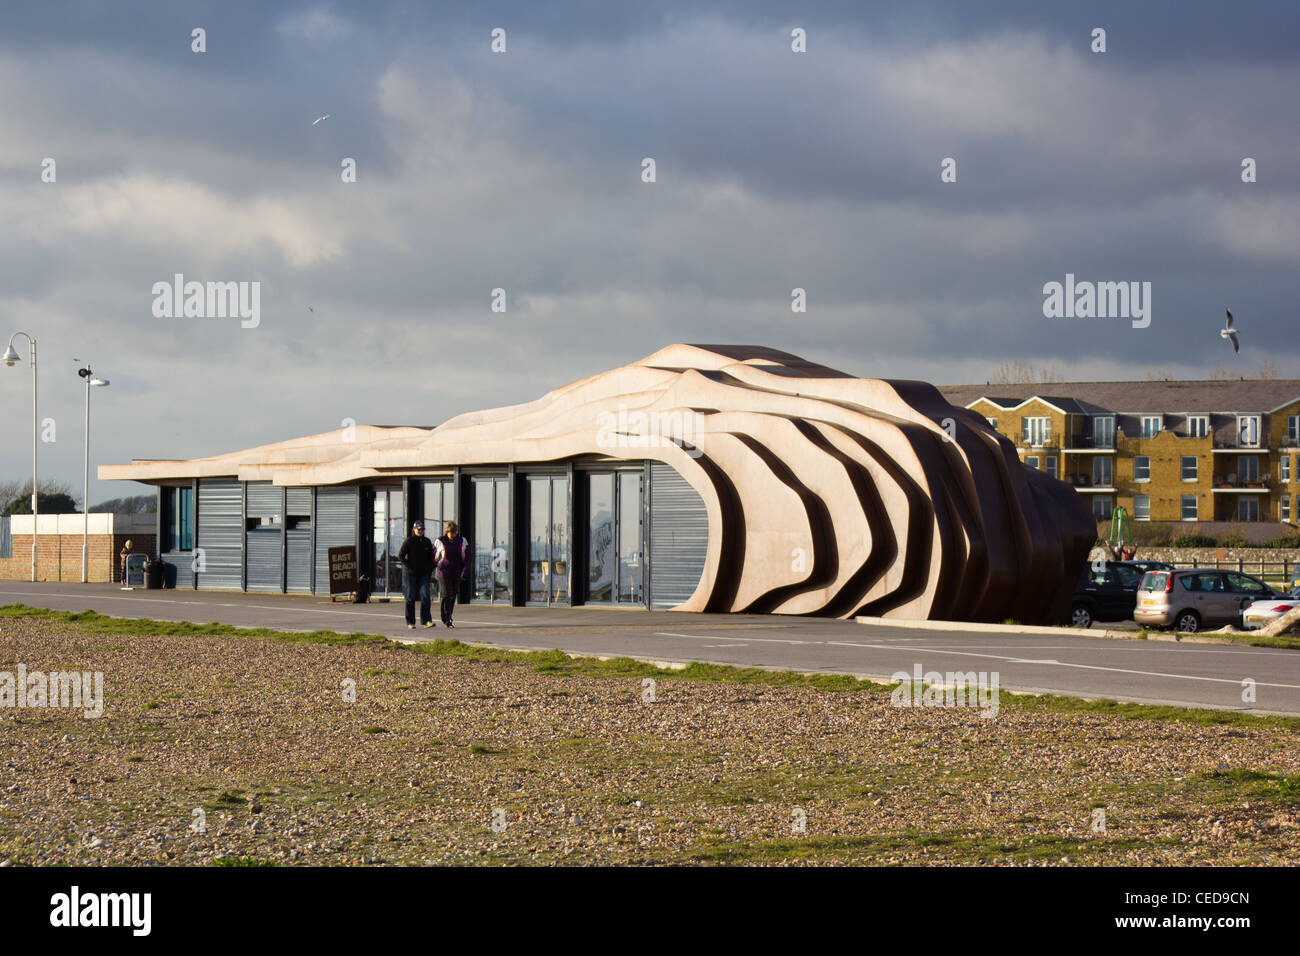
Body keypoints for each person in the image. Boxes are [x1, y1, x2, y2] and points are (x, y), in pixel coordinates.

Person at [397, 519, 435, 629]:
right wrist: (408, 566)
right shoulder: (409, 541)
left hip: (424, 574)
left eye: (422, 529)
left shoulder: (427, 542)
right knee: (410, 597)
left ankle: (426, 620)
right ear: (414, 529)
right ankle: (410, 622)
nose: (420, 531)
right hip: (410, 574)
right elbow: (401, 555)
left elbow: (431, 557)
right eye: (418, 529)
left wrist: (429, 569)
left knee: (425, 596)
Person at [434, 520, 469, 628]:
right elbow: (434, 557)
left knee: (453, 595)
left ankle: (449, 616)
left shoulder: (462, 541)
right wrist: (436, 566)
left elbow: (467, 557)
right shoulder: (440, 541)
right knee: (446, 594)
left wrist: (465, 569)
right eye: (451, 532)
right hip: (444, 572)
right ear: (447, 532)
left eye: (454, 532)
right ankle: (445, 616)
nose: (453, 534)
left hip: (457, 572)